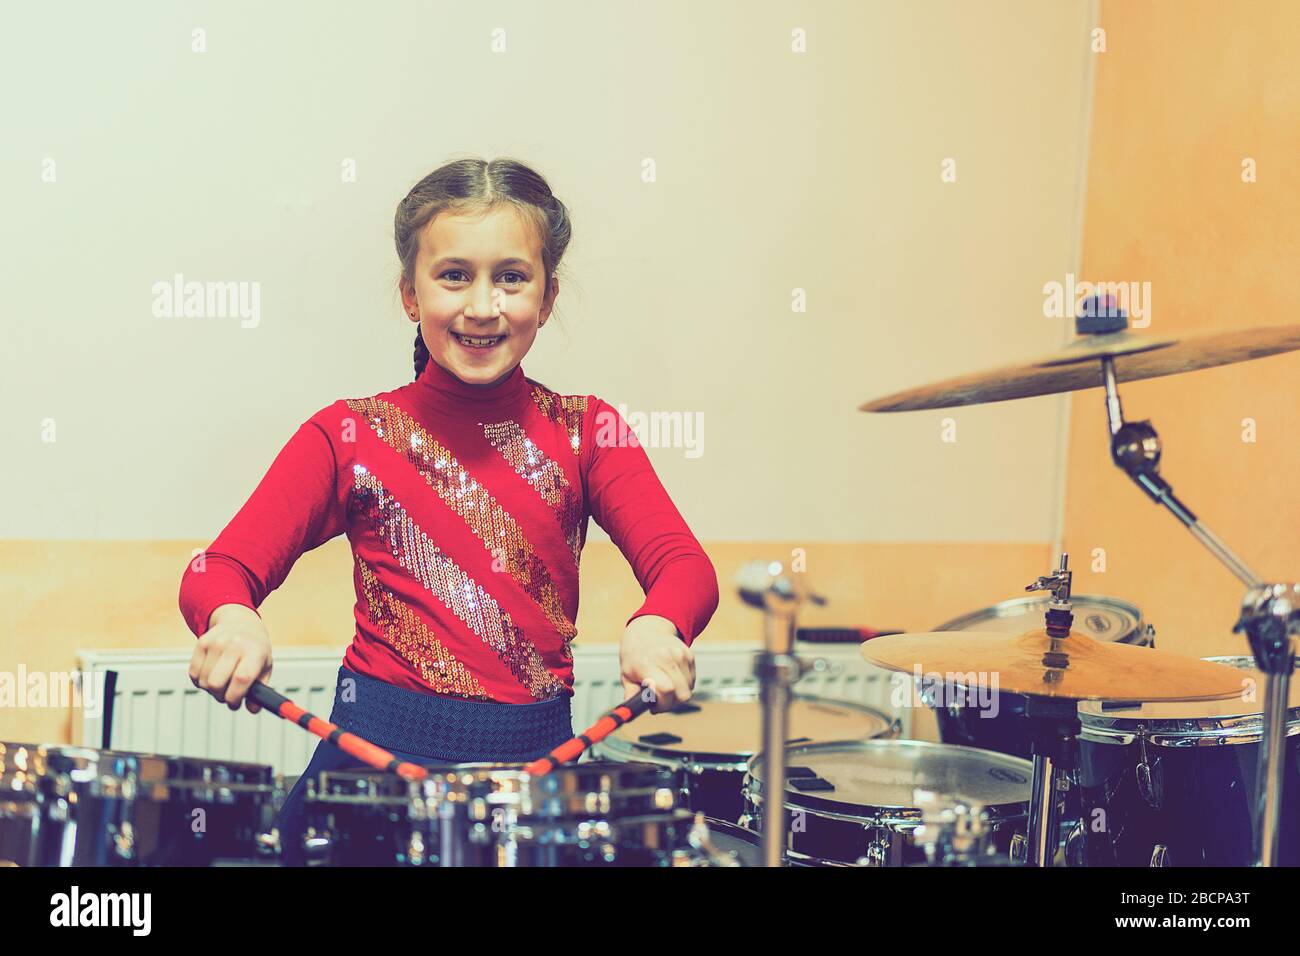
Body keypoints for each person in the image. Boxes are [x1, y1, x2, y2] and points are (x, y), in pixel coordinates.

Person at [177, 157, 719, 863]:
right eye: (454, 275)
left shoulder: (589, 431)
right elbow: (216, 567)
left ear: (548, 297)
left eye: (512, 278)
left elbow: (684, 565)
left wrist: (657, 622)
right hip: (368, 784)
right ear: (410, 293)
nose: (483, 305)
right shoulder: (350, 434)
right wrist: (232, 615)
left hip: (533, 790)